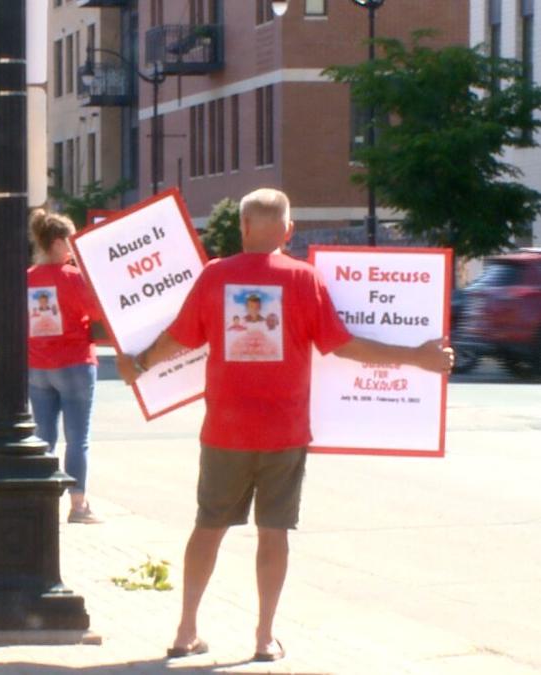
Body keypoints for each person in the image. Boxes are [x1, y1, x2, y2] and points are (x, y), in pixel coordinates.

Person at [115, 188, 453, 663]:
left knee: (208, 528)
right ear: (289, 231)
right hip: (285, 431)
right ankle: (263, 637)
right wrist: (416, 358)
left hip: (224, 432)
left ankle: (186, 629)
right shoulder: (305, 279)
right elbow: (345, 347)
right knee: (274, 534)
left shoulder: (215, 277)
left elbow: (178, 339)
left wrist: (139, 362)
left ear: (243, 227)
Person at [27, 209, 104, 524]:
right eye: (70, 242)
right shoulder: (73, 277)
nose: (73, 248)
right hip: (74, 362)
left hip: (38, 366)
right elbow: (97, 310)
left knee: (44, 437)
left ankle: (42, 504)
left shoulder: (27, 277)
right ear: (58, 243)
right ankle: (78, 505)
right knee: (77, 439)